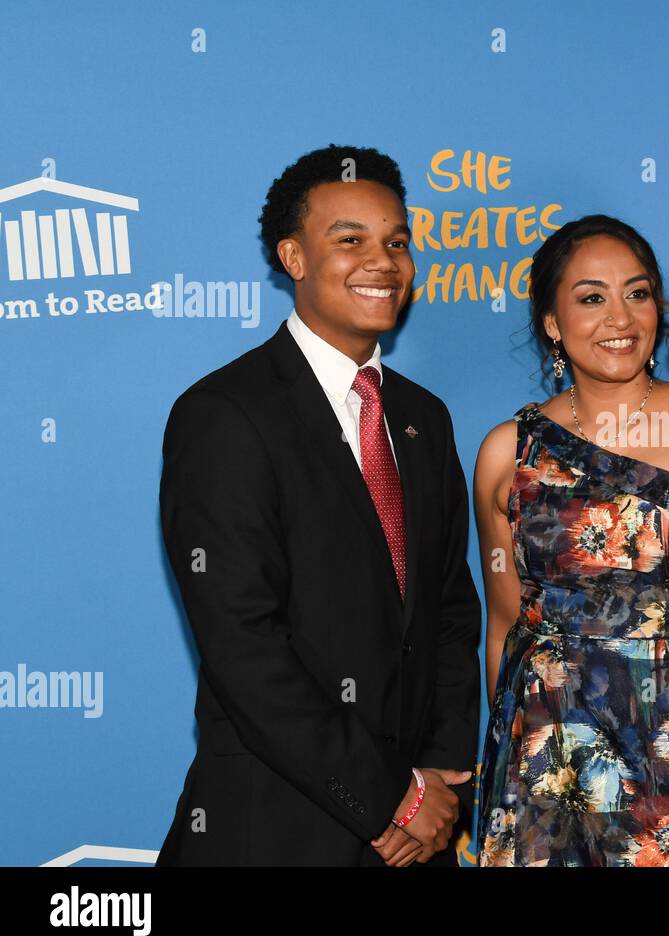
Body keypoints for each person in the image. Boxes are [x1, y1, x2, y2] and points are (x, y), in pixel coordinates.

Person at [156, 145, 481, 866]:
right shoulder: (225, 414)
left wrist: (438, 777)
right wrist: (390, 798)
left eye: (397, 242)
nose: (383, 261)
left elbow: (451, 612)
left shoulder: (424, 418)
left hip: (415, 837)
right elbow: (246, 646)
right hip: (277, 826)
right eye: (351, 240)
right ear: (293, 258)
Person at [473, 215, 669, 866]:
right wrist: (501, 784)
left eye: (637, 293)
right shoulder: (509, 454)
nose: (620, 317)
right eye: (591, 298)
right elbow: (505, 628)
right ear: (552, 323)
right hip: (545, 780)